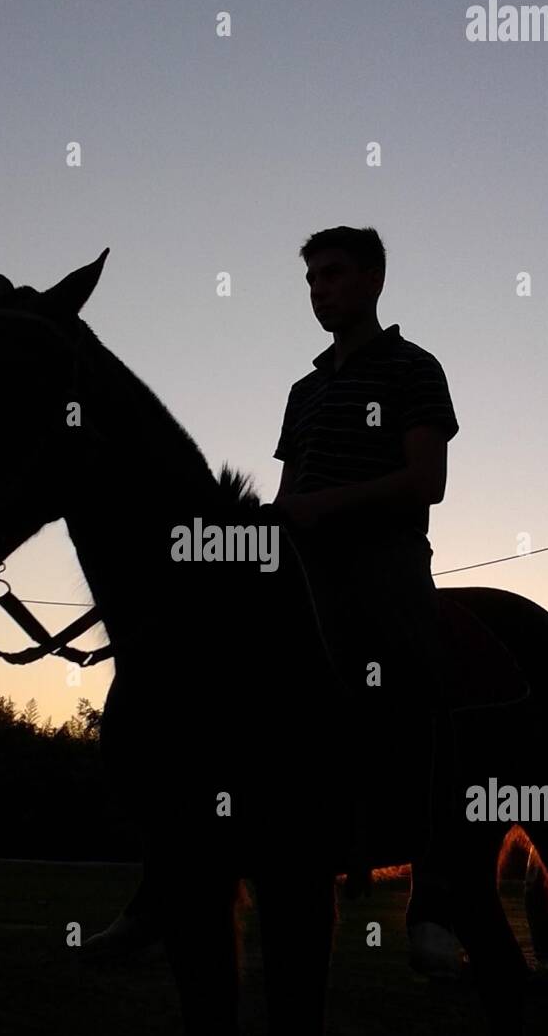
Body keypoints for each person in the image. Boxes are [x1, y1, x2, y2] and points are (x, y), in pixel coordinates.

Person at [83, 226, 462, 972]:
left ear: (374, 279)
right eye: (311, 279)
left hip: (380, 560)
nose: (321, 289)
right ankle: (167, 885)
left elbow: (427, 484)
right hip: (299, 559)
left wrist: (326, 508)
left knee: (414, 672)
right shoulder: (306, 390)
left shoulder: (414, 368)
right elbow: (288, 496)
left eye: (334, 274)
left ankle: (437, 894)